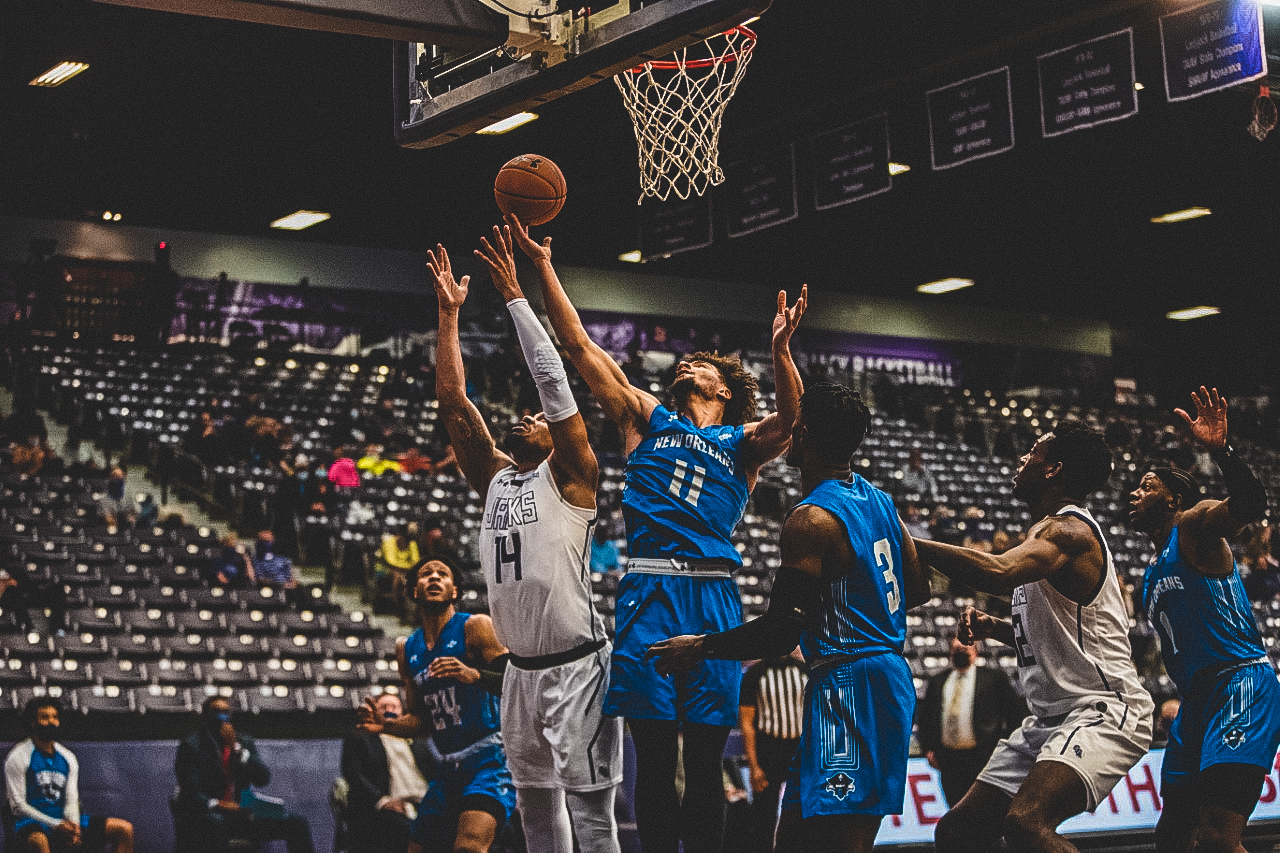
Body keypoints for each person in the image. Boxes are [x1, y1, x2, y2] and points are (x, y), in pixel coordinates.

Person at [504, 212, 806, 853]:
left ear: (722, 388)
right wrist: (543, 265)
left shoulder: (743, 445)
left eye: (701, 363)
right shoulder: (646, 418)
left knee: (703, 768)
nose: (688, 364)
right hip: (649, 595)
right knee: (652, 765)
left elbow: (792, 421)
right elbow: (581, 349)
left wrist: (781, 352)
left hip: (714, 599)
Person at [647, 382, 931, 853]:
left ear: (804, 434)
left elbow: (781, 631)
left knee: (840, 842)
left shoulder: (811, 519)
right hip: (881, 678)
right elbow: (916, 590)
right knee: (795, 836)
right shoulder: (881, 501)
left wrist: (701, 646)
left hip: (850, 682)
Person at [427, 232, 623, 852]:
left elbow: (555, 385)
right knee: (537, 815)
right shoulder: (494, 479)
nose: (527, 417)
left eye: (537, 419)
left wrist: (515, 294)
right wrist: (449, 314)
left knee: (592, 817)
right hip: (519, 673)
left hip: (578, 664)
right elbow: (453, 401)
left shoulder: (571, 474)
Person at [913, 423, 1154, 853]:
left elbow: (997, 572)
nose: (1022, 459)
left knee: (1026, 823)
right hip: (1049, 720)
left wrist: (907, 542)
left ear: (1053, 470)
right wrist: (996, 628)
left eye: (1033, 454)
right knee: (957, 832)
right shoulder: (1046, 535)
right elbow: (1055, 635)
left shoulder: (1069, 533)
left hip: (1103, 709)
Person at [1127, 387, 1280, 853]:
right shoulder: (1148, 579)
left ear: (1173, 499)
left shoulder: (1193, 525)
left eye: (1147, 486)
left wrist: (1221, 453)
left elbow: (1253, 506)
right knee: (1173, 835)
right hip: (1196, 700)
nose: (1135, 493)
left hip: (1240, 684)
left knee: (1217, 835)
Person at [357, 557, 515, 853]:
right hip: (447, 767)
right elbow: (422, 721)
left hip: (490, 758)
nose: (433, 578)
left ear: (454, 591)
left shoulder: (476, 627)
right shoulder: (407, 648)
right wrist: (386, 726)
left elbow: (518, 681)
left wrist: (474, 675)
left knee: (468, 846)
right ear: (414, 591)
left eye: (442, 574)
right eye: (425, 574)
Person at [174, 695, 315, 853]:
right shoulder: (191, 746)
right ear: (207, 716)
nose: (222, 716)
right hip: (207, 816)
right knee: (215, 822)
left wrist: (238, 750)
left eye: (226, 712)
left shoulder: (244, 742)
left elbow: (262, 779)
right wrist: (219, 804)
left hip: (240, 816)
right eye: (217, 712)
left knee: (296, 822)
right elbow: (190, 792)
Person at [4, 698, 134, 853]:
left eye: (54, 717)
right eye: (45, 717)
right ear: (33, 722)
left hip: (63, 821)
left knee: (124, 829)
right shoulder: (18, 756)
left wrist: (75, 827)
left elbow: (72, 800)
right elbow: (17, 806)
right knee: (40, 841)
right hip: (31, 822)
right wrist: (55, 824)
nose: (51, 722)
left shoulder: (67, 757)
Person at [915, 634, 1026, 808]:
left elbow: (1014, 714)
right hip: (949, 759)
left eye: (965, 649)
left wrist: (1004, 747)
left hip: (983, 756)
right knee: (954, 809)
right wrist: (928, 748)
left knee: (985, 811)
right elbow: (926, 718)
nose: (961, 652)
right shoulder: (937, 681)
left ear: (976, 652)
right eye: (957, 649)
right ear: (950, 652)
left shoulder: (993, 679)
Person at [340, 692, 432, 853]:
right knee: (409, 831)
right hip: (384, 808)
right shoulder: (361, 738)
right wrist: (383, 801)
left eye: (394, 706)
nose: (389, 710)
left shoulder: (418, 741)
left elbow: (434, 773)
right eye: (384, 707)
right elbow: (354, 774)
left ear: (403, 713)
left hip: (423, 804)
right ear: (375, 711)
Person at [738, 648, 807, 853]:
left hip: (800, 751)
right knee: (763, 817)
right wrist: (754, 765)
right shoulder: (755, 674)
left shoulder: (805, 671)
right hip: (768, 751)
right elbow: (747, 722)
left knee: (802, 816)